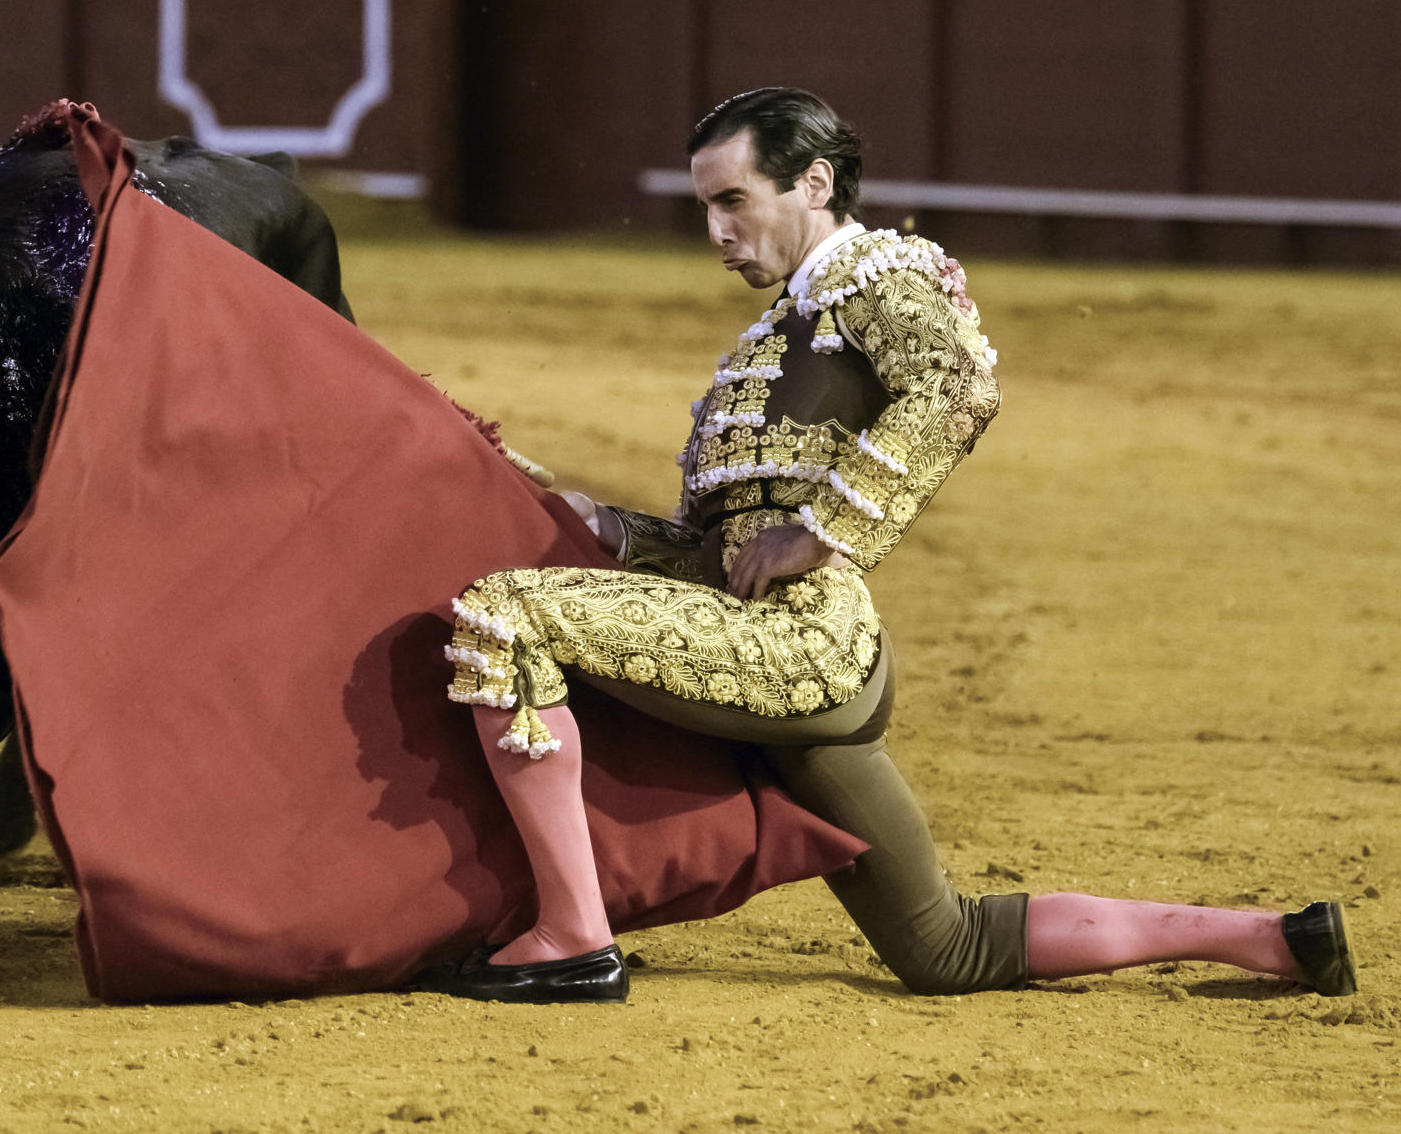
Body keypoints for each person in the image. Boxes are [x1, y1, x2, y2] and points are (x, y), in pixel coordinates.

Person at [419, 87, 1358, 1005]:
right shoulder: (788, 324)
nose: (716, 232)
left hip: (798, 646)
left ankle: (576, 940)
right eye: (706, 206)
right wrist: (568, 505)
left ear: (815, 184)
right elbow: (730, 547)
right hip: (779, 654)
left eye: (733, 200)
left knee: (506, 616)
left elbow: (955, 386)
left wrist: (827, 532)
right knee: (944, 945)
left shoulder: (873, 276)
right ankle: (1272, 938)